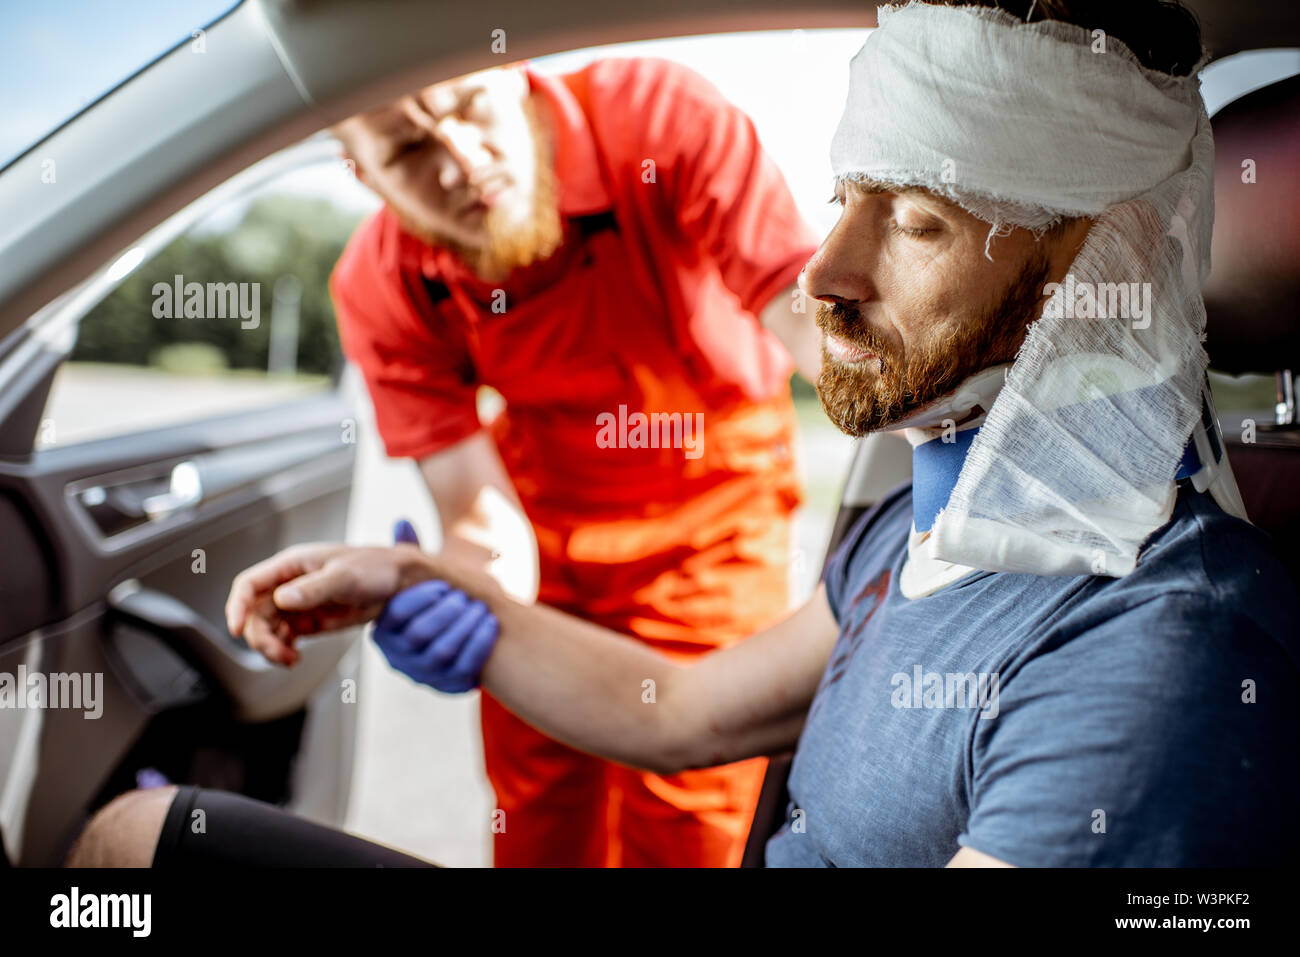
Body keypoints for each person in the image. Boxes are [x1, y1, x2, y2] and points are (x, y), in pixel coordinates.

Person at [72, 0, 1300, 869]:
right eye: (842, 201)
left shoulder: (1160, 647)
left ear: (1099, 271)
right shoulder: (904, 545)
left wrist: (899, 374)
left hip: (707, 545)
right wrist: (440, 585)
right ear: (357, 172)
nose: (826, 267)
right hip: (561, 564)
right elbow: (677, 709)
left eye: (916, 220)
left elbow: (789, 321)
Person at [320, 56, 823, 868]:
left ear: (516, 72)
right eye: (406, 153)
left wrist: (929, 423)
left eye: (469, 106)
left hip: (716, 505)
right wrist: (469, 590)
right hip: (539, 510)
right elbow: (478, 513)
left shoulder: (659, 119)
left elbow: (810, 321)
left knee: (695, 812)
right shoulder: (381, 285)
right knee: (535, 813)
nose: (459, 161)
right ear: (362, 174)